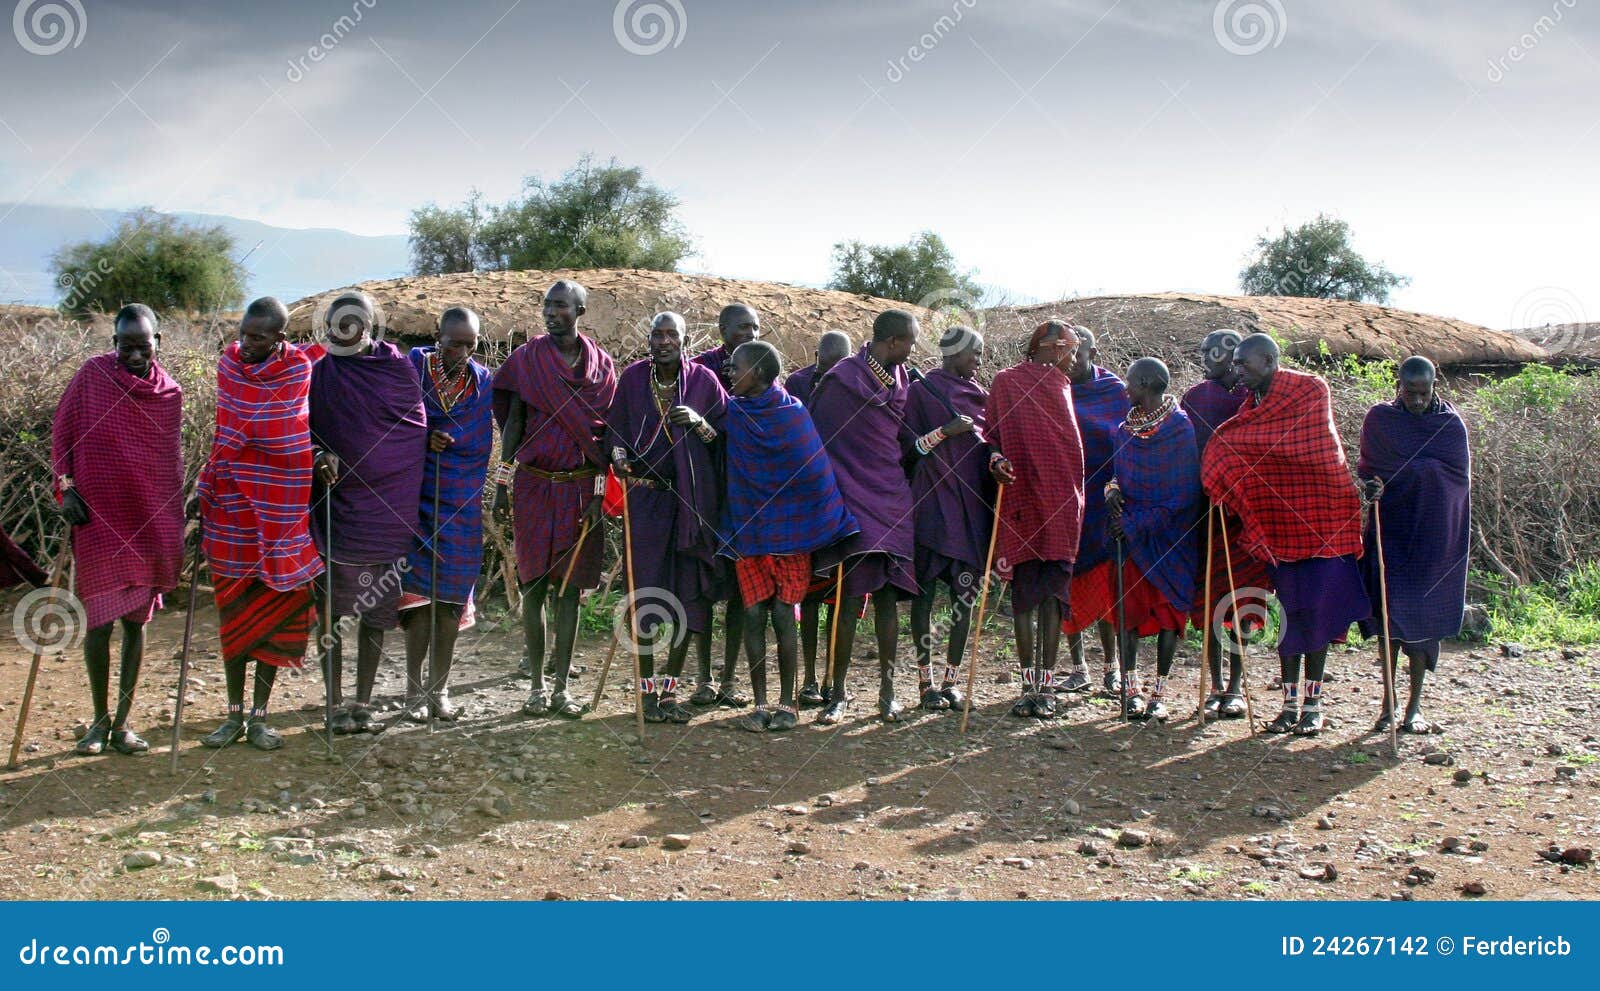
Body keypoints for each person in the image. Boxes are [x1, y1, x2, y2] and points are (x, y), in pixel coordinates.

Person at [1202, 333, 1370, 736]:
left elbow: (1307, 451)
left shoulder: (1308, 391)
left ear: (1268, 360)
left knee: (1317, 614)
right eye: (1234, 365)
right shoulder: (1251, 407)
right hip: (1280, 530)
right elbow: (1242, 445)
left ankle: (1313, 705)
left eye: (1243, 364)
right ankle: (1289, 704)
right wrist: (1221, 464)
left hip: (1324, 522)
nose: (1237, 371)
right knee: (1292, 615)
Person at [191, 298, 325, 751]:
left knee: (274, 612)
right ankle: (232, 715)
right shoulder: (229, 365)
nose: (246, 343)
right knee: (234, 614)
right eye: (244, 333)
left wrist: (250, 442)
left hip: (280, 504)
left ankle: (260, 717)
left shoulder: (297, 369)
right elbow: (227, 431)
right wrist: (207, 482)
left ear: (279, 339)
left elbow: (285, 434)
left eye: (258, 337)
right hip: (231, 506)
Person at [53, 303, 184, 756]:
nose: (135, 355)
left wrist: (170, 524)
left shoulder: (169, 393)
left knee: (135, 623)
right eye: (126, 346)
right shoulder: (92, 377)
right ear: (114, 344)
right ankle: (98, 721)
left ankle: (123, 724)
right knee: (98, 621)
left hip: (146, 521)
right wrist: (66, 489)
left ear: (158, 343)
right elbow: (62, 433)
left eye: (143, 346)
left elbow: (167, 466)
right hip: (97, 516)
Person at [493, 280, 617, 719]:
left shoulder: (601, 367)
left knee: (569, 590)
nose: (550, 312)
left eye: (560, 305)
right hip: (533, 485)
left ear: (580, 311)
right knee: (533, 585)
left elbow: (605, 443)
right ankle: (537, 686)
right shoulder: (527, 359)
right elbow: (514, 424)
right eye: (546, 305)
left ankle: (562, 687)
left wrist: (599, 497)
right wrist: (502, 484)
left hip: (581, 488)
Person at [720, 341, 858, 732]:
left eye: (737, 367)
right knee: (752, 614)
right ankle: (760, 704)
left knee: (783, 614)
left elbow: (813, 472)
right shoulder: (734, 412)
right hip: (749, 530)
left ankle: (787, 703)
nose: (731, 372)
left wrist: (821, 519)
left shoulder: (793, 412)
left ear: (759, 374)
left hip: (791, 534)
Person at [309, 291, 427, 735]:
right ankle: (333, 703)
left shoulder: (396, 369)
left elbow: (414, 430)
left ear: (370, 325)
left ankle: (362, 703)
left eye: (353, 322)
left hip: (387, 511)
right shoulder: (321, 373)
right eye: (336, 324)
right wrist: (317, 454)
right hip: (338, 510)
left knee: (376, 614)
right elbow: (302, 428)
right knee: (332, 614)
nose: (344, 331)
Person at [608, 312, 727, 724]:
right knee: (644, 596)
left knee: (688, 596)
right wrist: (618, 457)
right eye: (656, 334)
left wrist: (699, 423)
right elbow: (615, 431)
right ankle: (646, 693)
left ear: (684, 340)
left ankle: (670, 690)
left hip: (690, 505)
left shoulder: (704, 382)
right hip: (644, 502)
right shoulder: (632, 379)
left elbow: (724, 438)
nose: (662, 341)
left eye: (670, 334)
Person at [808, 309, 920, 724]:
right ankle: (837, 693)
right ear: (892, 342)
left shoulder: (903, 380)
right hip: (852, 497)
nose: (912, 350)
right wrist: (833, 497)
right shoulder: (843, 379)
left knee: (888, 597)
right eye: (909, 343)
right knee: (850, 596)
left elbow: (902, 441)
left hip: (891, 496)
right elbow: (820, 441)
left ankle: (888, 693)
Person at [1358, 356, 1470, 734]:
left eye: (1424, 393)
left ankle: (1415, 706)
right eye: (1411, 393)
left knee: (1424, 621)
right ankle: (1387, 705)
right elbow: (1369, 470)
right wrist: (1372, 487)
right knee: (1390, 618)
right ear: (1399, 387)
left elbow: (1457, 480)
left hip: (1434, 538)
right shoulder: (1381, 420)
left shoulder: (1449, 425)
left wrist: (1418, 474)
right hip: (1391, 530)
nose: (1418, 400)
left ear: (1434, 387)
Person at [986, 320, 1086, 718]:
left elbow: (1068, 448)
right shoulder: (1006, 382)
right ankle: (1029, 684)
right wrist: (995, 458)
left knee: (1052, 595)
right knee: (1025, 594)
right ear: (1054, 347)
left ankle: (1046, 685)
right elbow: (990, 435)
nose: (1075, 360)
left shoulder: (1063, 385)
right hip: (1023, 499)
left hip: (1062, 502)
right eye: (1071, 351)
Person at [398, 307, 493, 723]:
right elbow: (391, 422)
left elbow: (479, 441)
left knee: (451, 602)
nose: (461, 353)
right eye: (454, 344)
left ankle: (440, 690)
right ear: (438, 337)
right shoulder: (413, 369)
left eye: (470, 345)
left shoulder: (483, 381)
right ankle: (413, 691)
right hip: (416, 500)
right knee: (419, 601)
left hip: (461, 503)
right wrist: (422, 437)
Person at [1105, 358, 1202, 722]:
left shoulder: (1179, 428)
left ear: (1146, 384)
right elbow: (1117, 475)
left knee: (1168, 615)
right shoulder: (1124, 430)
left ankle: (1159, 693)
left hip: (1170, 537)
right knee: (1128, 614)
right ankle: (1131, 691)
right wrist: (1111, 492)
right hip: (1130, 537)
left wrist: (1136, 524)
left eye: (1130, 382)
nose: (1125, 388)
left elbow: (1184, 494)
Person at [1181, 329, 1270, 720]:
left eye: (1209, 353)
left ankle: (1236, 685)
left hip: (1246, 516)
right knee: (1210, 596)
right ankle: (1215, 684)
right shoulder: (1196, 397)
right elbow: (1186, 452)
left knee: (1242, 596)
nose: (1203, 359)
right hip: (1204, 512)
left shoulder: (1257, 399)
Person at [904, 325, 991, 711]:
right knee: (923, 595)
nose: (979, 361)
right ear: (954, 353)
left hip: (970, 508)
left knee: (964, 597)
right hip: (930, 505)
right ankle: (926, 683)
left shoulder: (981, 396)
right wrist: (945, 431)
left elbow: (989, 446)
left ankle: (952, 681)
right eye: (975, 353)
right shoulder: (920, 392)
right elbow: (908, 450)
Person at [687, 302, 763, 706]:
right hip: (702, 491)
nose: (750, 335)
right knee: (702, 584)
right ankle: (703, 677)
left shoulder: (762, 369)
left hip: (745, 496)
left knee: (739, 590)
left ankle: (730, 679)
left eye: (755, 328)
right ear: (722, 330)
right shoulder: (699, 371)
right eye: (742, 328)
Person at [1058, 328, 1127, 696]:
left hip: (1104, 500)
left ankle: (1111, 667)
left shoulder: (1114, 391)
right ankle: (1078, 667)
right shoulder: (1053, 387)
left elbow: (1127, 440)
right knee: (1067, 581)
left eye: (1078, 355)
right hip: (1065, 498)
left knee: (1105, 583)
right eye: (1064, 354)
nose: (1070, 363)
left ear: (1093, 354)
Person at [787, 329, 852, 706]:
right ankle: (809, 678)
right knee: (809, 595)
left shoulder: (855, 386)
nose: (831, 376)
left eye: (838, 368)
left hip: (846, 500)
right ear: (816, 358)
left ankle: (833, 679)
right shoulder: (797, 386)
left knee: (841, 595)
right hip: (806, 504)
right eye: (825, 368)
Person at [784, 329, 851, 407]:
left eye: (835, 374)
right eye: (823, 373)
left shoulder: (855, 388)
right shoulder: (796, 383)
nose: (827, 379)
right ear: (817, 356)